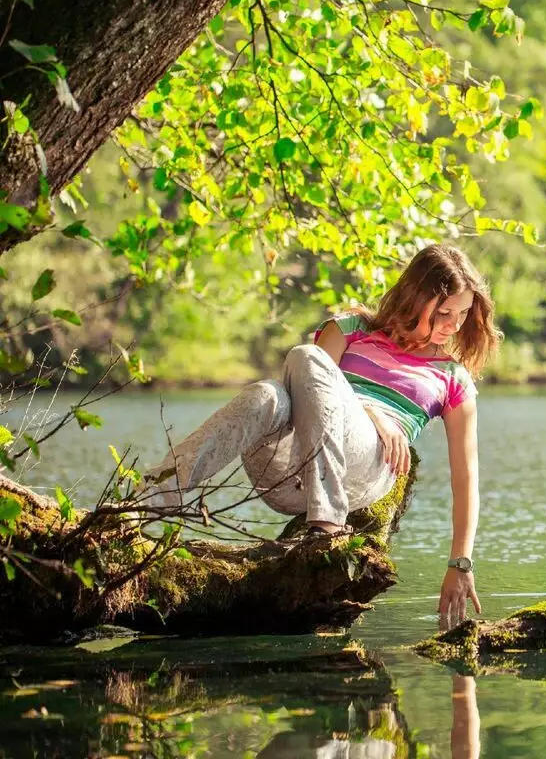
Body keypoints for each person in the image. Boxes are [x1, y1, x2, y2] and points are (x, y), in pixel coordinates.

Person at [135, 243, 499, 629]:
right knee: (269, 392)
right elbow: (310, 387)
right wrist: (373, 411)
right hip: (288, 471)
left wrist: (460, 563)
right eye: (444, 313)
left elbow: (466, 478)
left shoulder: (452, 376)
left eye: (462, 315)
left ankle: (325, 526)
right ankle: (146, 499)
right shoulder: (350, 329)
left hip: (364, 466)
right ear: (415, 297)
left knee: (305, 358)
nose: (454, 325)